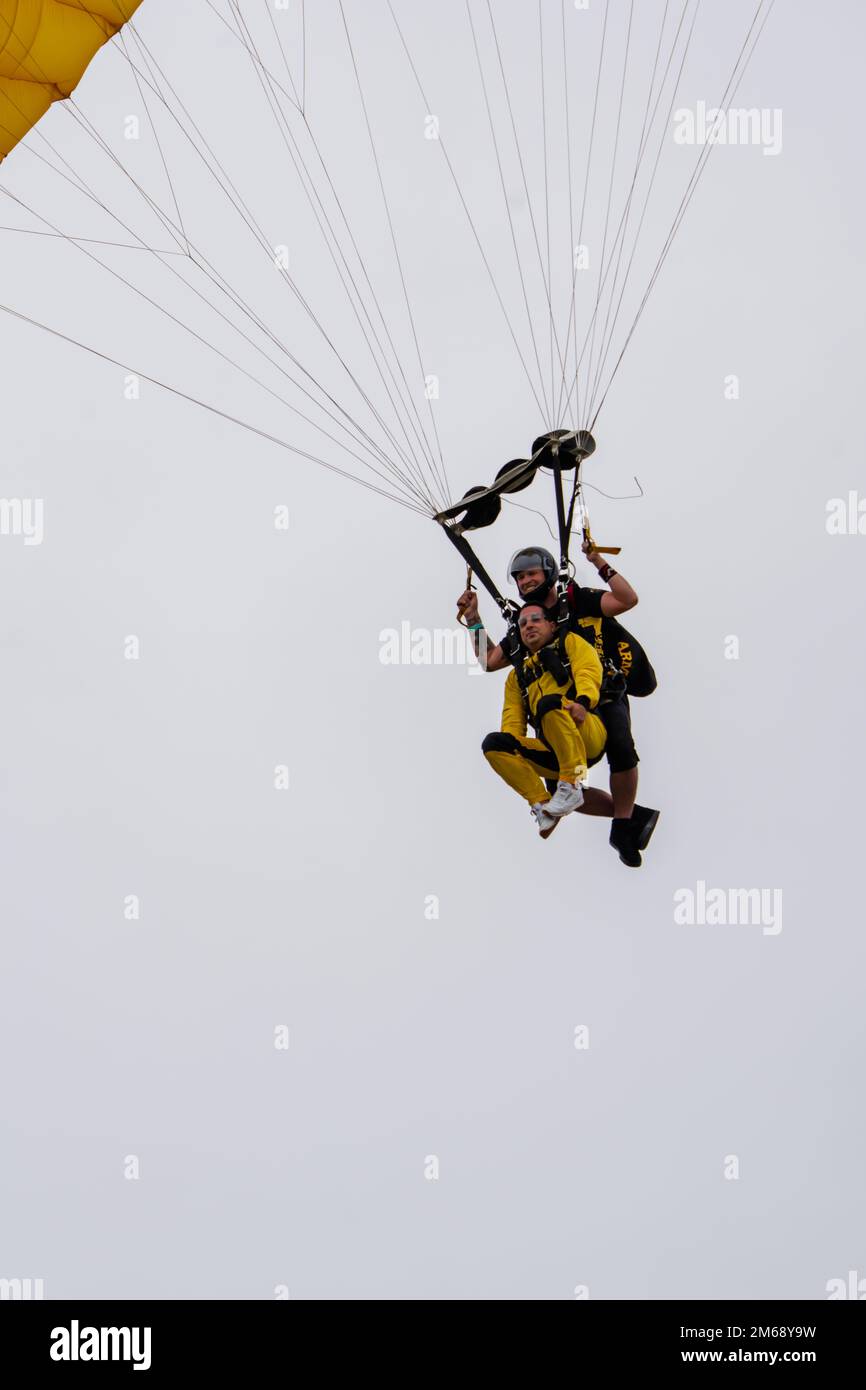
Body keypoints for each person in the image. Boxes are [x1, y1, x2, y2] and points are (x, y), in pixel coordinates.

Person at [459, 544, 659, 866]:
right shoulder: (526, 625)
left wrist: (597, 560)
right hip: (558, 717)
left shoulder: (578, 601)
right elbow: (489, 660)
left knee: (621, 747)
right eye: (519, 578)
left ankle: (622, 826)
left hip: (599, 696)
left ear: (548, 572)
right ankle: (629, 817)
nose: (524, 582)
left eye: (531, 574)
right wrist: (473, 619)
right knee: (558, 792)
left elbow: (627, 599)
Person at [482, 602, 607, 838]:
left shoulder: (568, 643)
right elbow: (511, 719)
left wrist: (583, 701)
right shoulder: (516, 676)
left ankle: (573, 783)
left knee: (548, 703)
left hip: (585, 732)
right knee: (494, 743)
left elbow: (587, 670)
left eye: (535, 620)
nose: (529, 626)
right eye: (523, 624)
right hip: (554, 750)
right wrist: (472, 619)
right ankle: (542, 806)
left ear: (551, 624)